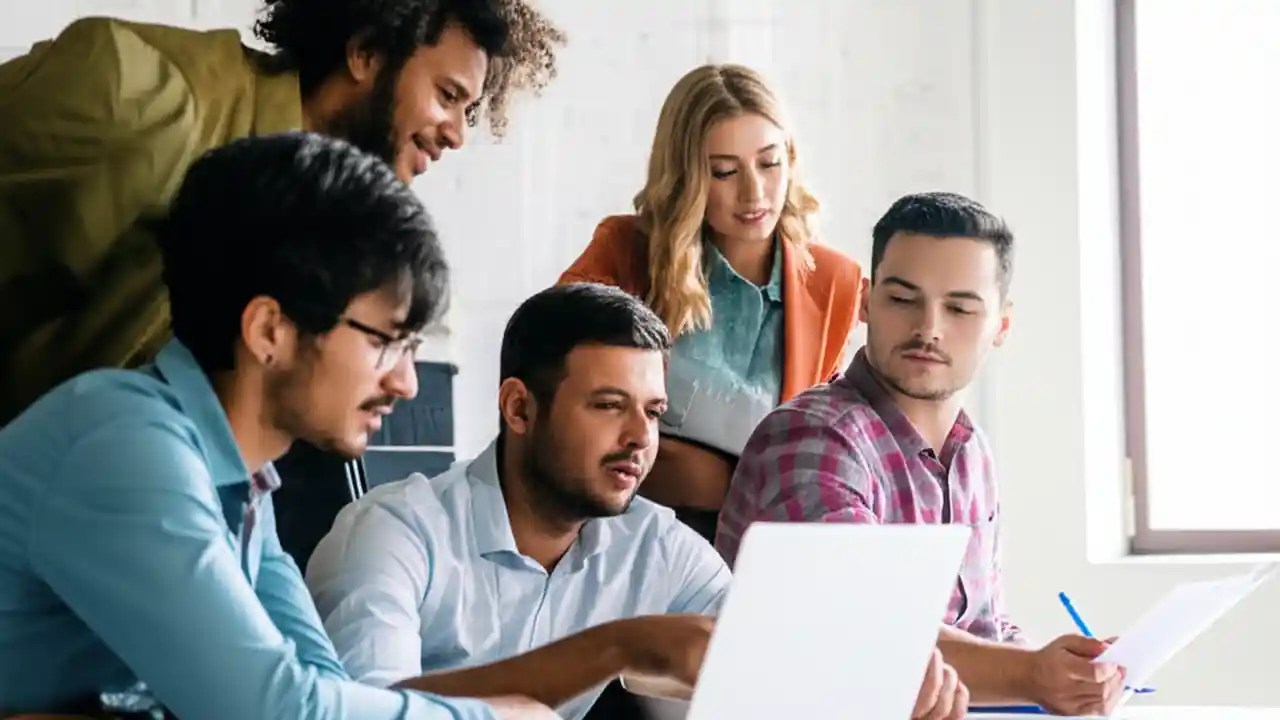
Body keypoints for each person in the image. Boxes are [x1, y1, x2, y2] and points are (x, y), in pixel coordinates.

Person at [0, 133, 555, 719]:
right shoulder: (124, 446)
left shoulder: (244, 483)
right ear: (270, 330)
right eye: (387, 342)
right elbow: (276, 711)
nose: (407, 383)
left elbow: (314, 683)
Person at [306, 282, 970, 720]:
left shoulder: (658, 547)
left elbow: (779, 657)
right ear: (518, 407)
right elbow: (364, 713)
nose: (639, 440)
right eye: (608, 407)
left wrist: (884, 684)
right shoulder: (392, 532)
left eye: (653, 412)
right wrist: (616, 647)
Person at [0, 0, 566, 423]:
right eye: (447, 96)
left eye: (470, 111)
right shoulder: (142, 95)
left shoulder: (318, 211)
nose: (458, 135)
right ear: (365, 52)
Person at [715, 191, 1128, 716]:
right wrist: (1031, 675)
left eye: (959, 308)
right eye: (903, 299)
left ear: (1001, 324)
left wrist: (1076, 673)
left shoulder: (971, 452)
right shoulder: (813, 439)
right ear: (865, 302)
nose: (928, 328)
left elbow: (985, 627)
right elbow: (863, 631)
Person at [559, 63, 863, 541]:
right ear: (685, 174)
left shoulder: (835, 281)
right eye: (723, 171)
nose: (754, 193)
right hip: (623, 530)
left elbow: (814, 446)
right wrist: (688, 472)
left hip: (756, 542)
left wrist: (723, 482)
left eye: (769, 163)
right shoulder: (624, 251)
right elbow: (553, 390)